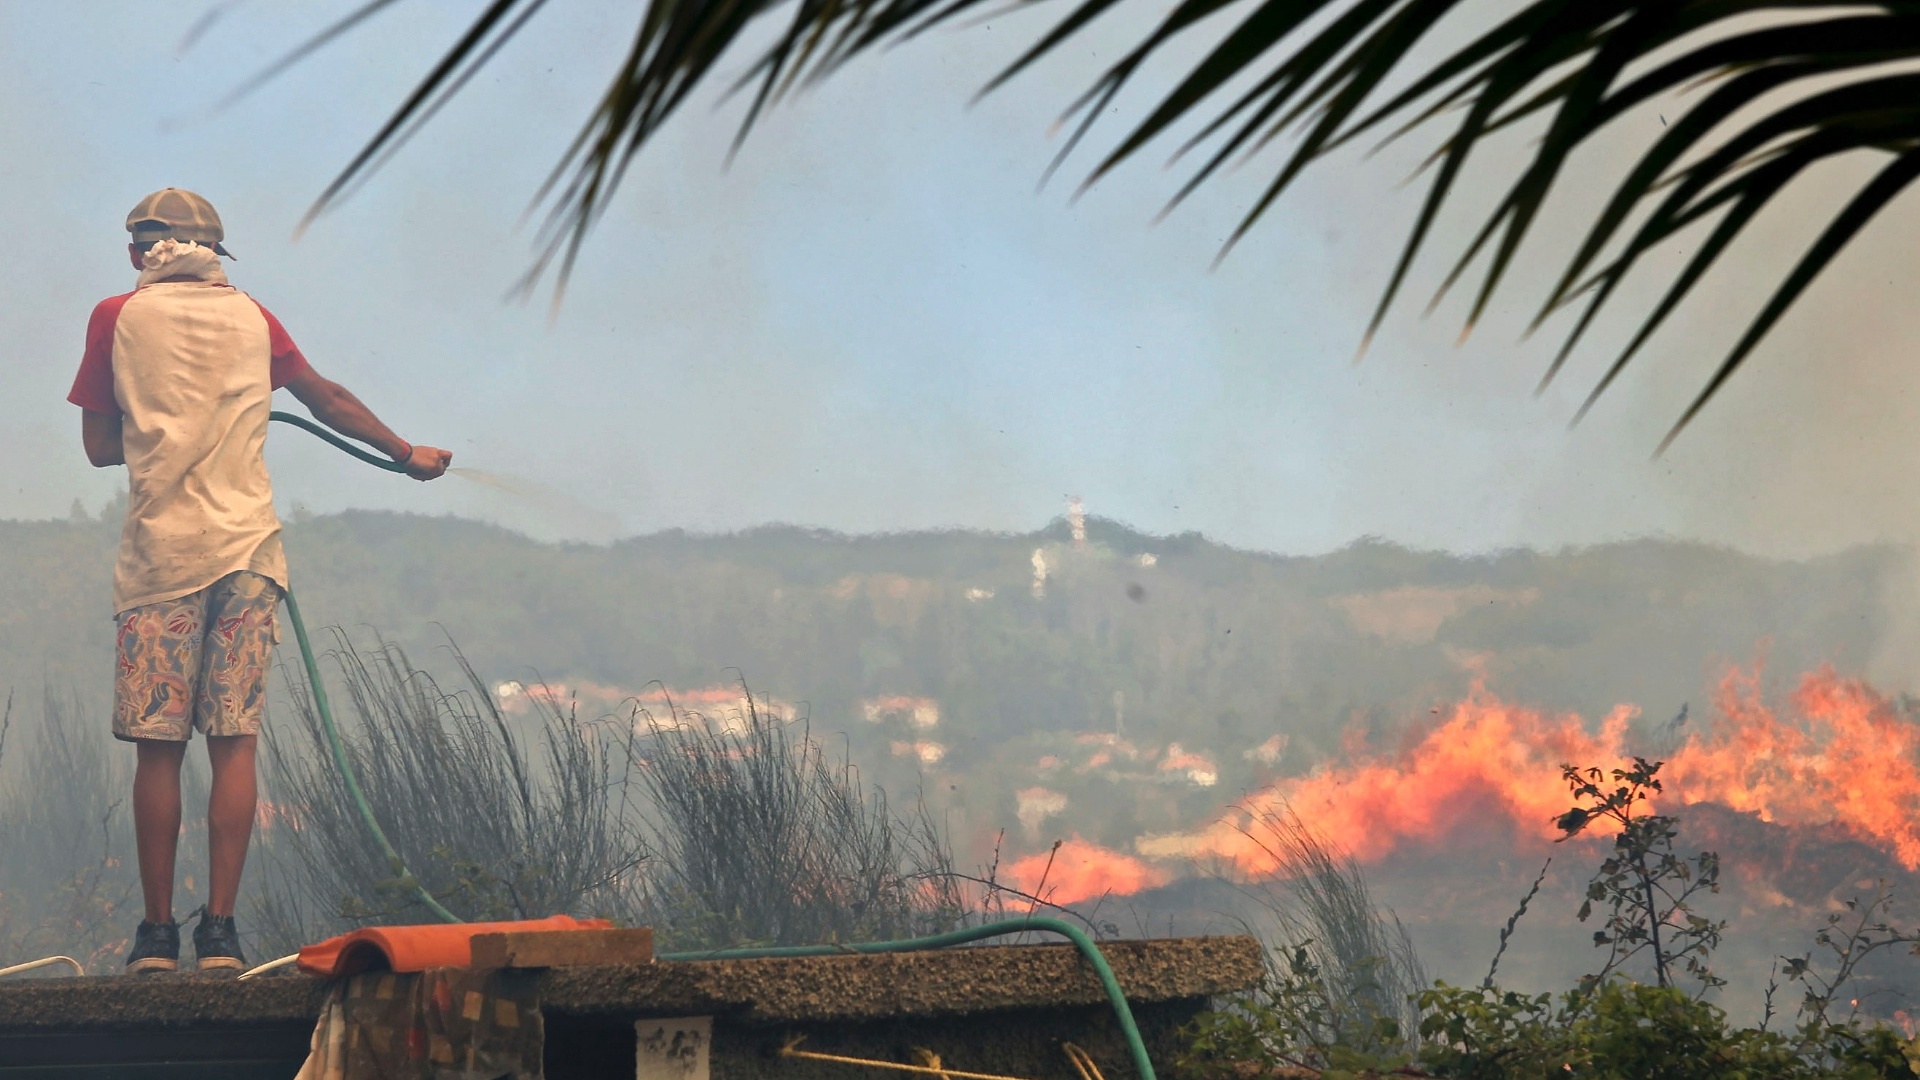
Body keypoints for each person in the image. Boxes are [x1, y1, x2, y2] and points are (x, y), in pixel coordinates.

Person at [67, 188, 452, 974]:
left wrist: (156, 424)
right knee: (234, 741)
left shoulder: (117, 317)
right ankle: (222, 933)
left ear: (148, 249)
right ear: (214, 253)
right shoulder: (255, 319)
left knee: (159, 749)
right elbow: (328, 399)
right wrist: (404, 453)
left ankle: (155, 937)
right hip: (248, 557)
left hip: (162, 561)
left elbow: (100, 450)